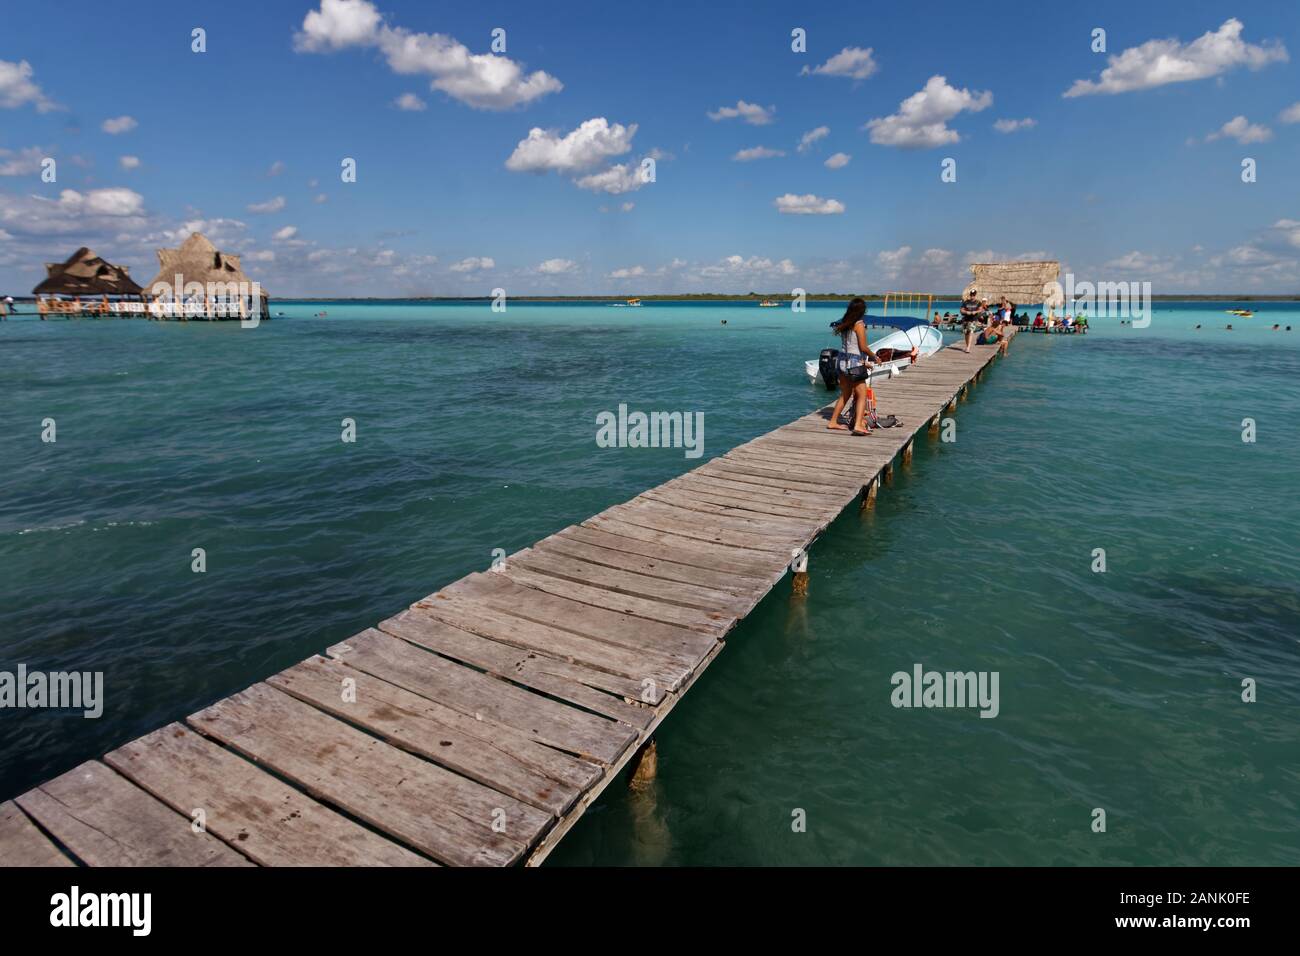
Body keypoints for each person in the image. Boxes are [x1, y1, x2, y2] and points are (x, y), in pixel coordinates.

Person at [827, 297, 879, 436]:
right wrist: (874, 357)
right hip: (854, 363)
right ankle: (858, 425)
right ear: (862, 311)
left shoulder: (845, 323)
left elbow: (850, 347)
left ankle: (832, 422)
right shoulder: (859, 324)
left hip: (841, 361)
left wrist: (864, 362)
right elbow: (862, 347)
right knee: (862, 394)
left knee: (846, 393)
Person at [959, 288, 985, 353]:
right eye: (971, 295)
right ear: (970, 295)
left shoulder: (978, 302)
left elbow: (981, 310)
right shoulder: (966, 302)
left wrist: (975, 312)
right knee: (966, 333)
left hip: (973, 320)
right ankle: (967, 346)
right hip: (965, 319)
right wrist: (966, 312)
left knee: (971, 332)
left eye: (973, 295)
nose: (972, 296)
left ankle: (968, 347)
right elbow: (961, 310)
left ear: (975, 295)